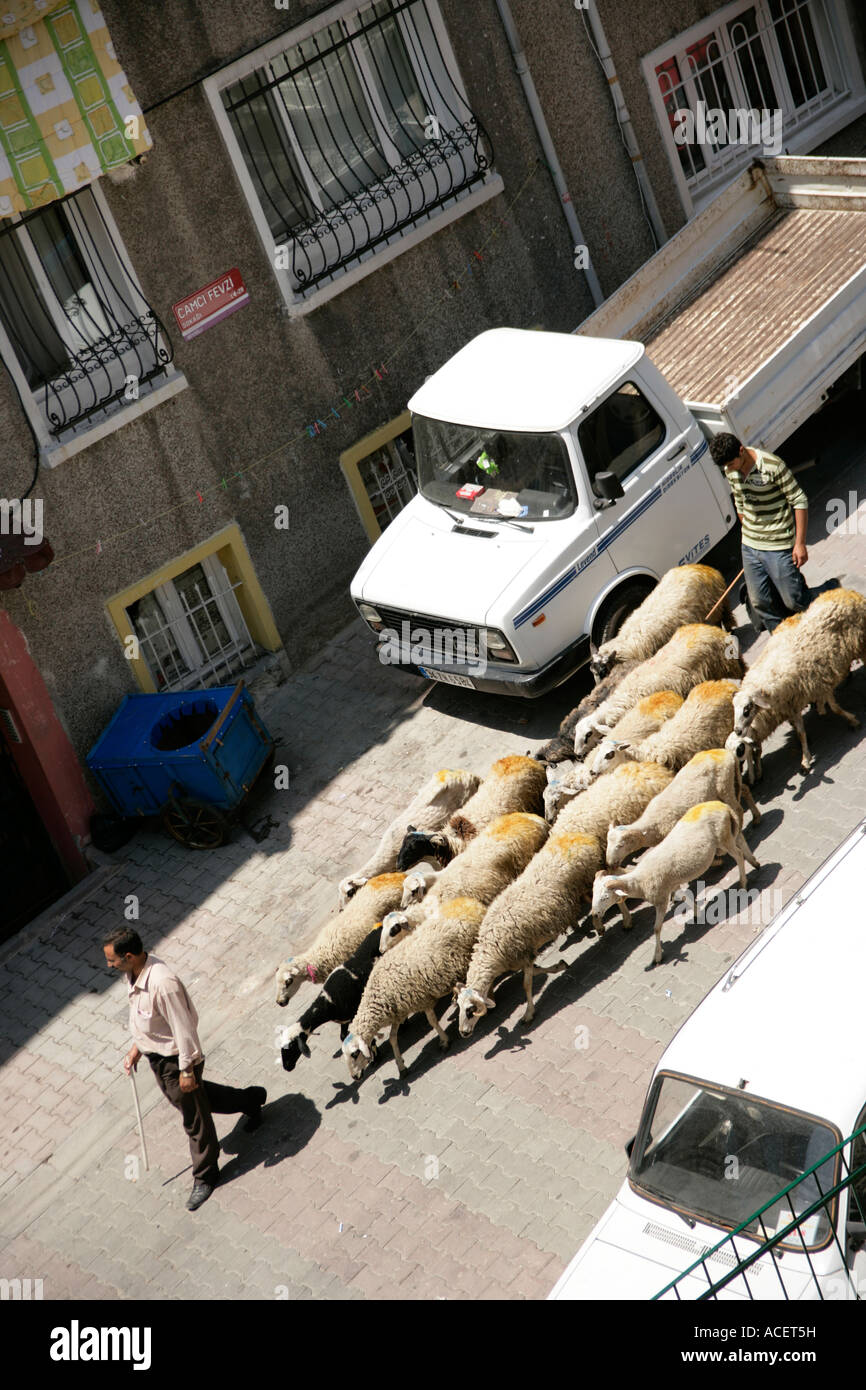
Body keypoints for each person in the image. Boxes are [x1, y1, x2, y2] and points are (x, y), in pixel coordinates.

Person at [104, 927, 267, 1211]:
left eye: (112, 960)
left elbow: (184, 1027)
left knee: (194, 1119)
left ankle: (206, 1175)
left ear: (128, 956)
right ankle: (251, 1100)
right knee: (200, 1100)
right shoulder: (133, 975)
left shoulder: (162, 983)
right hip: (159, 1057)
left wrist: (187, 1070)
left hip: (177, 1060)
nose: (109, 965)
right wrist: (136, 1049)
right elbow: (148, 1021)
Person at [709, 433, 810, 632]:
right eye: (725, 466)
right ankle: (784, 644)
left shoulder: (771, 466)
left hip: (779, 542)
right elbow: (740, 502)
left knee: (795, 601)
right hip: (750, 544)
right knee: (761, 603)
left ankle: (833, 593)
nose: (728, 469)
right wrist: (749, 532)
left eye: (731, 463)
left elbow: (799, 500)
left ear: (741, 451)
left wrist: (799, 543)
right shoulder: (731, 471)